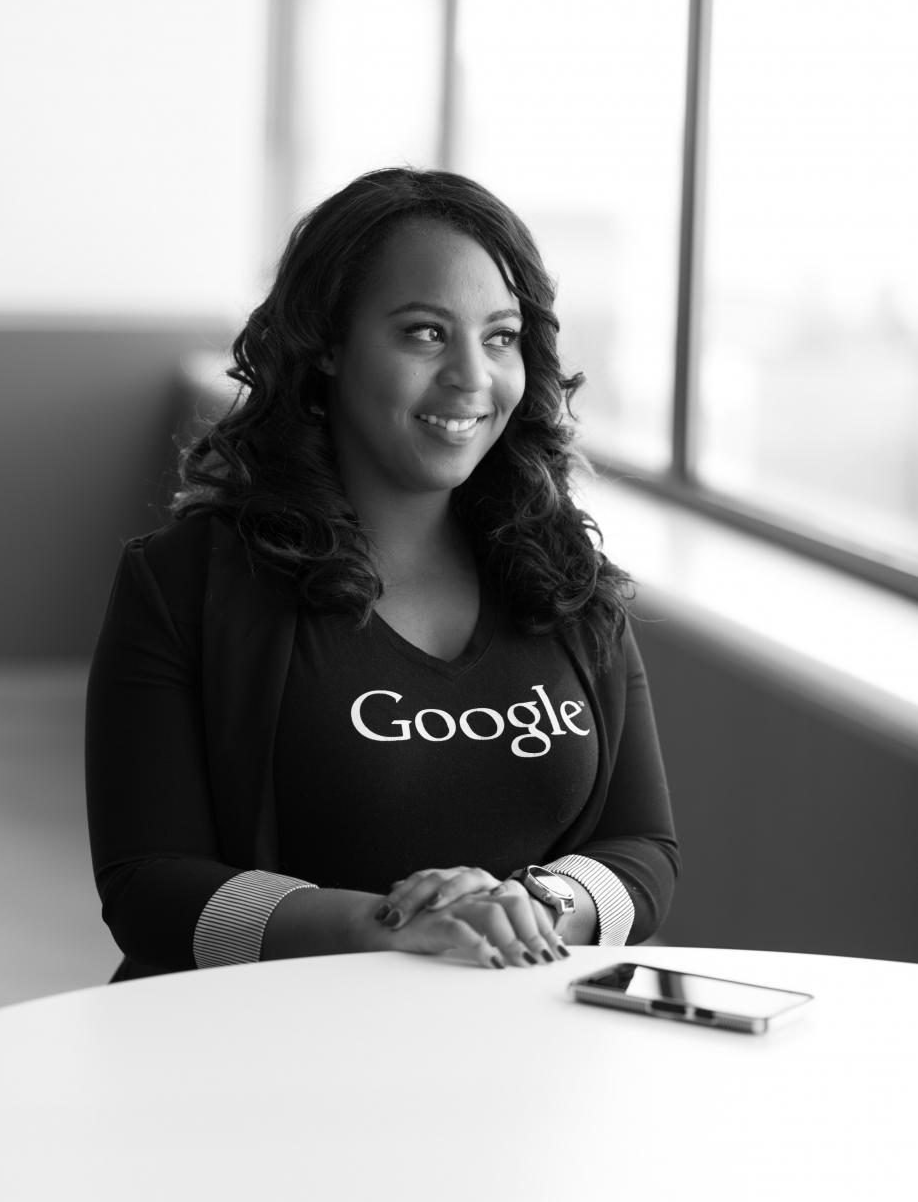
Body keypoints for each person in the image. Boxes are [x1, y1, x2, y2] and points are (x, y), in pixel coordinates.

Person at [85, 166, 678, 982]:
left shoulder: (566, 575)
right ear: (327, 345)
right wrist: (392, 925)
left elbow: (643, 849)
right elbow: (148, 886)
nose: (472, 376)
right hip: (253, 1067)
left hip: (521, 1065)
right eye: (425, 332)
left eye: (500, 335)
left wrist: (533, 906)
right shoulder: (187, 582)